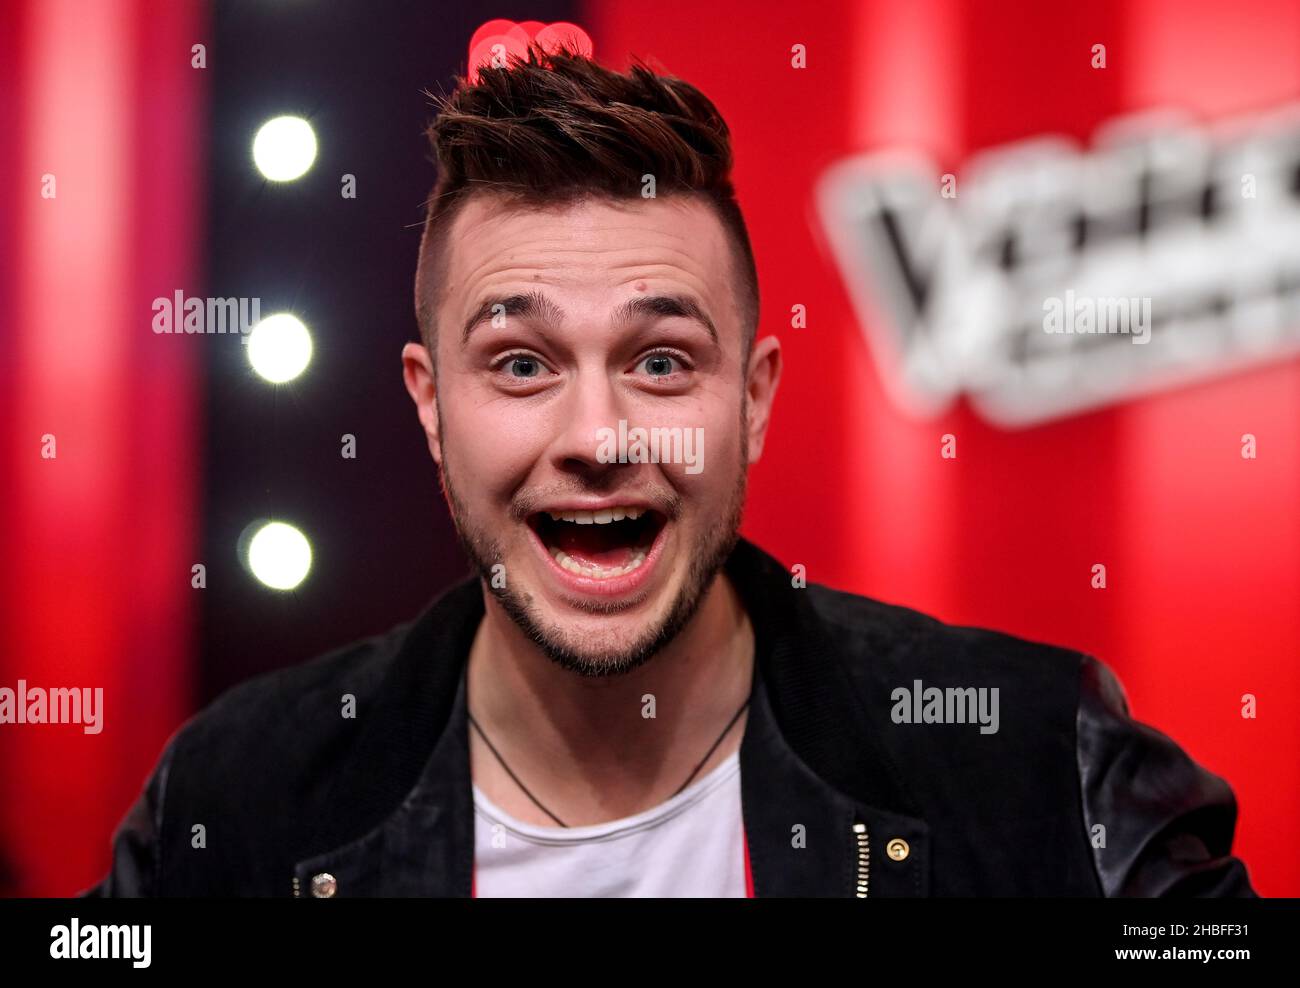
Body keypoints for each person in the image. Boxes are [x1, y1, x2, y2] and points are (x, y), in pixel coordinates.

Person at [85, 45, 1255, 898]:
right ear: (430, 406)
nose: (600, 436)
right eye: (522, 361)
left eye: (658, 360)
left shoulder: (1035, 759)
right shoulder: (237, 797)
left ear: (751, 402)